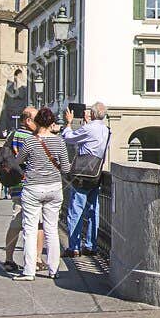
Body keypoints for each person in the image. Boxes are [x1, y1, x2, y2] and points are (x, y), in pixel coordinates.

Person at [14, 106, 68, 281]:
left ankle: (29, 271)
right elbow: (66, 168)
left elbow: (18, 162)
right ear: (52, 123)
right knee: (51, 229)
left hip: (33, 188)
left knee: (30, 229)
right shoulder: (59, 141)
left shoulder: (30, 142)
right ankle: (54, 270)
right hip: (54, 188)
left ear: (37, 122)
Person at [61, 102, 110, 258]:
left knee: (76, 210)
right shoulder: (107, 130)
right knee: (93, 210)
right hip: (96, 174)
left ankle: (74, 247)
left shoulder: (89, 128)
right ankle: (91, 245)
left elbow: (68, 138)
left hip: (82, 174)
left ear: (93, 114)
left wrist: (68, 123)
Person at [2, 107, 38, 273]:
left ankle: (9, 259)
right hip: (27, 184)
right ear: (28, 120)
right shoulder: (28, 137)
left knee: (16, 223)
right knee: (34, 223)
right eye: (36, 119)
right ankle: (35, 260)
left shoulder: (13, 134)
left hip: (16, 184)